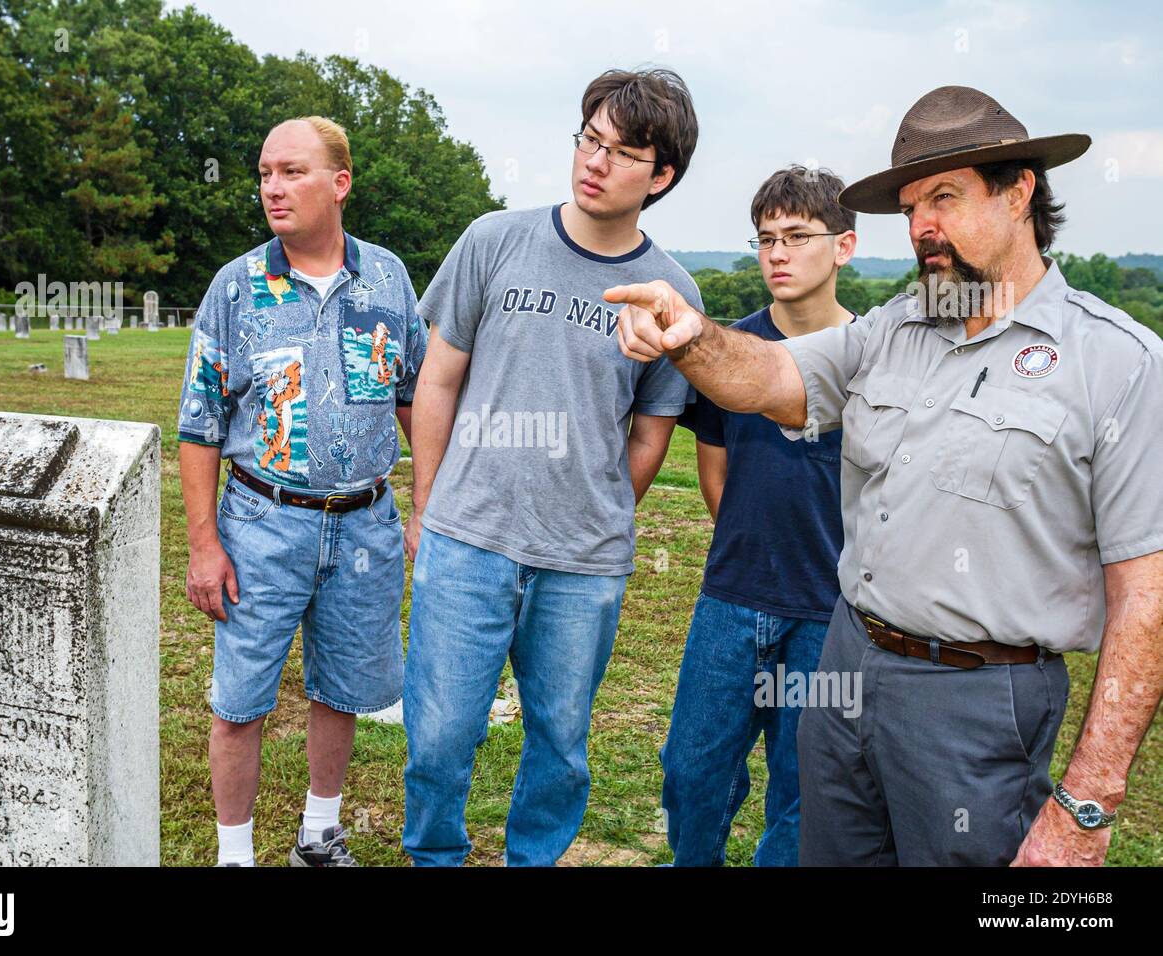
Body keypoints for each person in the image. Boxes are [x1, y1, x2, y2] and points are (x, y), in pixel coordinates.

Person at [607, 86, 1163, 866]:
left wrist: (1086, 807)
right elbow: (769, 376)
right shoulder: (894, 328)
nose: (922, 228)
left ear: (1020, 192)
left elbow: (1147, 597)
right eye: (908, 208)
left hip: (978, 699)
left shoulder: (1119, 364)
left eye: (943, 197)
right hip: (847, 661)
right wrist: (692, 337)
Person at [402, 68, 702, 866]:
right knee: (437, 736)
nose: (594, 162)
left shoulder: (671, 291)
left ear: (661, 175)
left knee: (561, 744)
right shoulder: (494, 239)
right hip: (467, 537)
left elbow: (650, 434)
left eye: (621, 152)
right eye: (588, 141)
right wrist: (428, 502)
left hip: (583, 562)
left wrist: (597, 508)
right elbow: (438, 378)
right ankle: (434, 857)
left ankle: (532, 860)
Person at [177, 116, 426, 867]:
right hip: (262, 522)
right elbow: (199, 424)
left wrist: (425, 507)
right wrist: (203, 544)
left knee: (343, 689)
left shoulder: (387, 277)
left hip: (365, 523)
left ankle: (319, 834)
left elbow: (416, 395)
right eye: (263, 174)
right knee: (240, 698)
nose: (272, 189)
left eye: (291, 172)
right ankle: (235, 856)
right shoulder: (238, 286)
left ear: (340, 182)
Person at [662, 165, 857, 866]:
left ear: (844, 246)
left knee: (806, 791)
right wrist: (754, 548)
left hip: (832, 611)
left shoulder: (874, 359)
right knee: (691, 774)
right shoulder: (726, 349)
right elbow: (714, 471)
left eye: (797, 236)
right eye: (765, 239)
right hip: (733, 598)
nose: (776, 253)